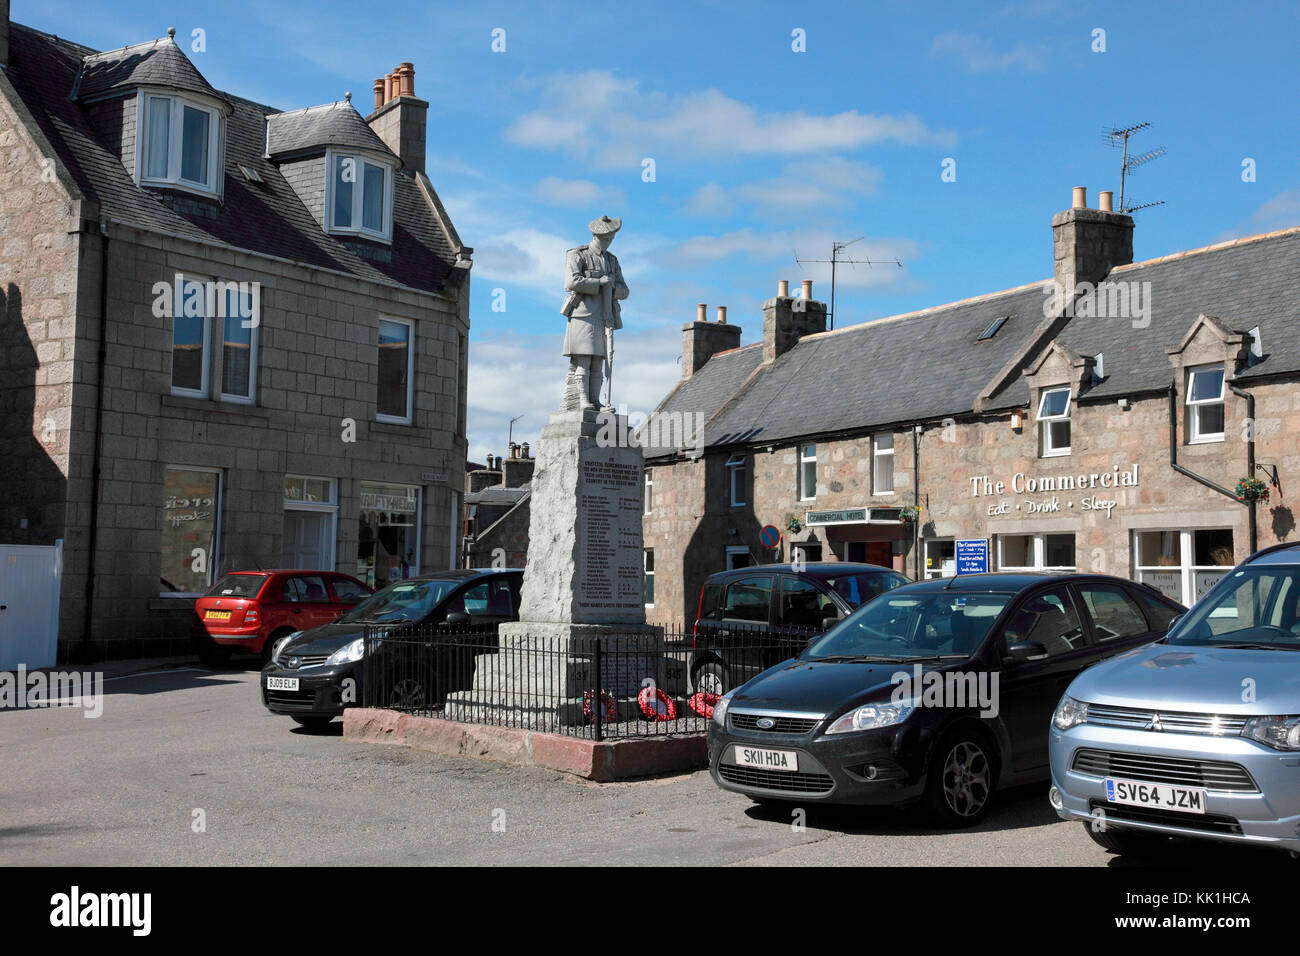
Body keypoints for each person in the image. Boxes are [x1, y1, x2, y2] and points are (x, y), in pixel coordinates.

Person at [560, 215, 629, 410]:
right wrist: (598, 283)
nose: (608, 241)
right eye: (605, 238)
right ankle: (582, 400)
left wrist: (613, 288)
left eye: (611, 238)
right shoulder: (578, 254)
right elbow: (571, 282)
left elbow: (625, 290)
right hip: (583, 314)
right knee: (584, 360)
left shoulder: (612, 261)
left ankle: (596, 401)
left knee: (599, 362)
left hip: (605, 316)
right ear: (595, 235)